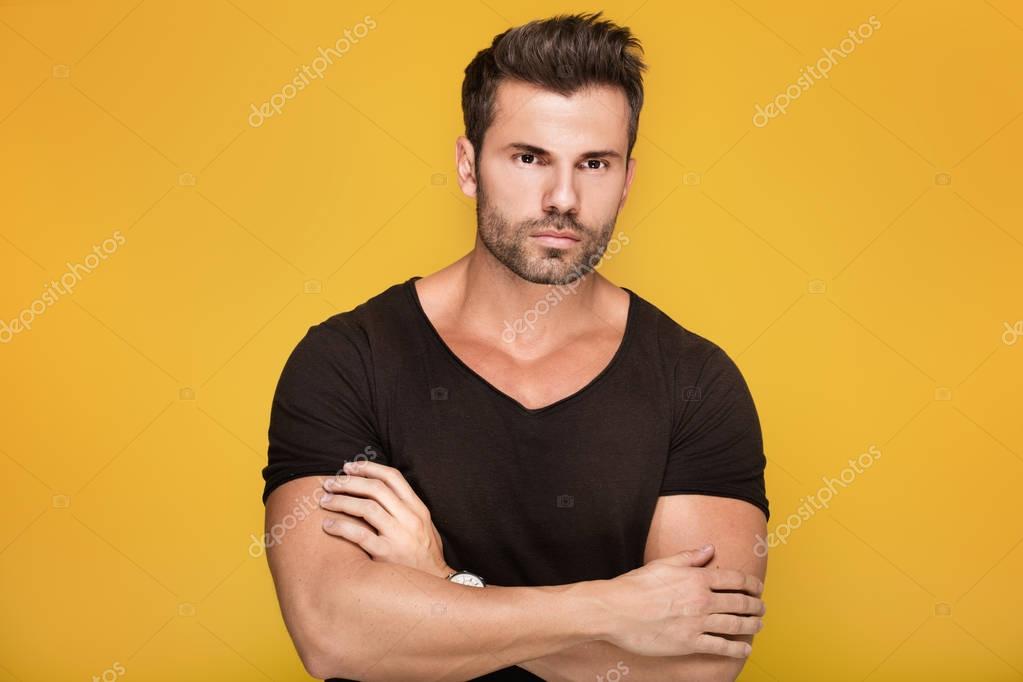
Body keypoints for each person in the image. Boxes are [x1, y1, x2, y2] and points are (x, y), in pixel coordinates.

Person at [261, 11, 769, 681]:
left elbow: (690, 671)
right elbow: (334, 631)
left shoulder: (696, 382)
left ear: (626, 178)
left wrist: (440, 582)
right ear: (469, 167)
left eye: (593, 163)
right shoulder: (348, 362)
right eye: (529, 158)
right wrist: (613, 610)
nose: (562, 197)